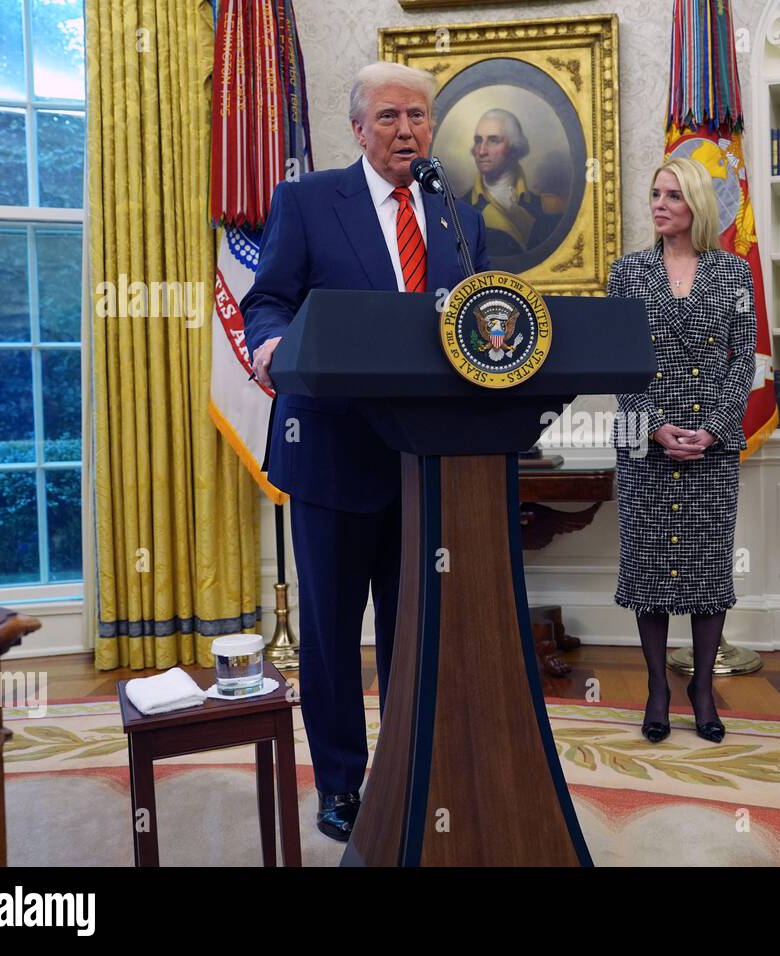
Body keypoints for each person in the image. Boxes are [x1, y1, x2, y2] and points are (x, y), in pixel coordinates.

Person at [241, 61, 490, 841]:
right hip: (331, 452)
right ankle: (342, 786)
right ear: (356, 128)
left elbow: (479, 311)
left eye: (418, 116)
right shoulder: (310, 202)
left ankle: (415, 763)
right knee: (333, 631)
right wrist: (271, 341)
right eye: (388, 117)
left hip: (431, 460)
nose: (406, 131)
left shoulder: (456, 212)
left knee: (416, 629)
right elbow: (269, 299)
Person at [607, 157, 756, 744]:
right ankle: (656, 688)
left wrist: (715, 428)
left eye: (673, 194)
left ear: (696, 204)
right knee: (648, 571)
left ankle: (700, 689)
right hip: (646, 445)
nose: (660, 203)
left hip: (711, 447)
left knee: (706, 570)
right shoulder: (628, 273)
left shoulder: (733, 273)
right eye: (655, 193)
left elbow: (742, 359)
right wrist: (654, 426)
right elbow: (618, 360)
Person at [466, 108, 563, 258]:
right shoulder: (459, 210)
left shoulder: (548, 207)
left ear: (514, 147)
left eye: (493, 140)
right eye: (478, 141)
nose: (481, 151)